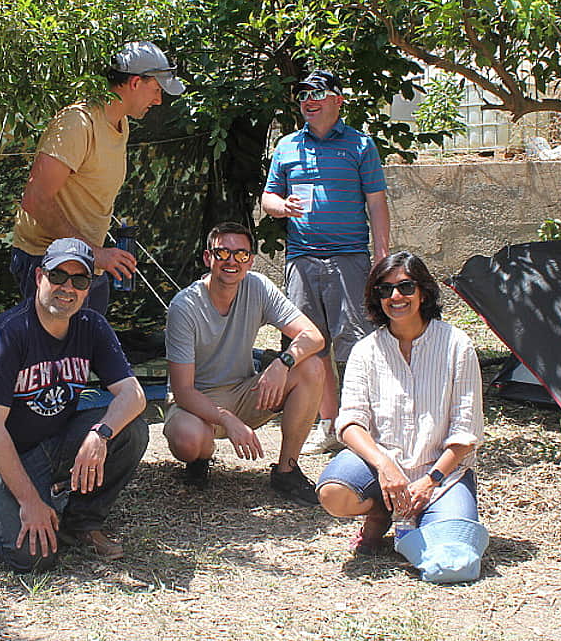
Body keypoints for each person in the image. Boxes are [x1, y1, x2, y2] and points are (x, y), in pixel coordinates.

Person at [0, 238, 149, 571]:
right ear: (38, 278)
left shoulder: (92, 326)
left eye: (79, 280)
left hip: (53, 443)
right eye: (57, 275)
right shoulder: (6, 334)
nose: (67, 287)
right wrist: (29, 501)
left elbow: (133, 395)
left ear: (88, 288)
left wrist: (99, 435)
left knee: (131, 431)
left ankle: (82, 523)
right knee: (34, 559)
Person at [315, 251, 483, 555]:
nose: (396, 296)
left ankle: (423, 515)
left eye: (406, 287)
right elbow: (350, 423)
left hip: (441, 475)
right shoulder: (366, 351)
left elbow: (466, 433)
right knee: (333, 493)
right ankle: (380, 512)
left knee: (453, 552)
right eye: (385, 289)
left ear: (423, 293)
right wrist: (384, 465)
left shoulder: (457, 346)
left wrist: (430, 481)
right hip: (383, 468)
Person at [261, 69, 391, 456]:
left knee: (355, 345)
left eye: (317, 93)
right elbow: (267, 199)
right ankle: (329, 424)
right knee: (310, 345)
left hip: (349, 258)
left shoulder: (361, 145)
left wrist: (382, 254)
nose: (307, 100)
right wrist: (281, 207)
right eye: (302, 94)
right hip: (301, 259)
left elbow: (377, 202)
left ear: (338, 100)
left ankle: (360, 424)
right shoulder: (286, 147)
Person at [10, 41, 186, 315]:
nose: (159, 100)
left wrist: (94, 255)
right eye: (156, 90)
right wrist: (95, 252)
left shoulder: (121, 123)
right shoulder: (77, 123)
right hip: (48, 262)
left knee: (85, 353)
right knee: (51, 355)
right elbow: (35, 199)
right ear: (136, 82)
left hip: (87, 261)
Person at [163, 221, 326, 505]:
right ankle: (200, 459)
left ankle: (287, 470)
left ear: (250, 260)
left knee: (311, 367)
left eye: (240, 254)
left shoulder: (258, 286)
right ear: (207, 257)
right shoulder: (184, 306)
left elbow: (313, 336)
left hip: (244, 392)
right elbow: (182, 391)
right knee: (189, 440)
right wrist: (227, 419)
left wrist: (282, 363)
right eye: (223, 253)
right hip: (197, 402)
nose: (231, 261)